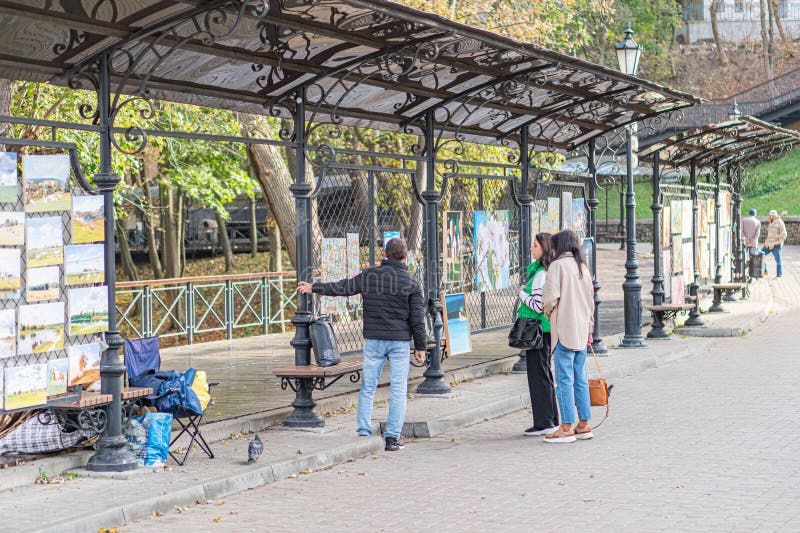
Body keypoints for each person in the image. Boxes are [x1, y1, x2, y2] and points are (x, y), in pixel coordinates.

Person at [298, 238, 426, 451]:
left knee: (368, 387)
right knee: (398, 388)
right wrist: (420, 347)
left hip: (374, 339)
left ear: (384, 254)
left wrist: (314, 287)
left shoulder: (369, 276)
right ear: (405, 257)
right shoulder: (411, 281)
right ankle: (392, 438)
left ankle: (364, 433)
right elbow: (417, 318)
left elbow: (343, 287)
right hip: (399, 341)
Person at [542, 229, 595, 443]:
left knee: (564, 379)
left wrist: (549, 313)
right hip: (582, 331)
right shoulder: (583, 266)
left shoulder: (557, 266)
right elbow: (591, 302)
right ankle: (583, 423)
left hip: (564, 328)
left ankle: (566, 427)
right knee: (580, 378)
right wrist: (589, 329)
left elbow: (549, 298)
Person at [517, 232, 558, 436]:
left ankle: (544, 422)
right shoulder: (541, 271)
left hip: (538, 329)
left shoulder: (541, 273)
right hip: (544, 329)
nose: (531, 248)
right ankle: (552, 418)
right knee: (544, 372)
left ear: (543, 248)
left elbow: (539, 304)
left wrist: (522, 294)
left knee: (539, 374)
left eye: (535, 245)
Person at [761, 209, 787, 277]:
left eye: (770, 215)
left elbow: (784, 234)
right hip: (768, 245)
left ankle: (779, 275)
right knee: (761, 255)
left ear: (774, 216)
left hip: (776, 245)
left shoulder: (780, 222)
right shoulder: (771, 222)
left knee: (778, 261)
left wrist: (778, 241)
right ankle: (765, 271)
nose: (769, 216)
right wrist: (766, 242)